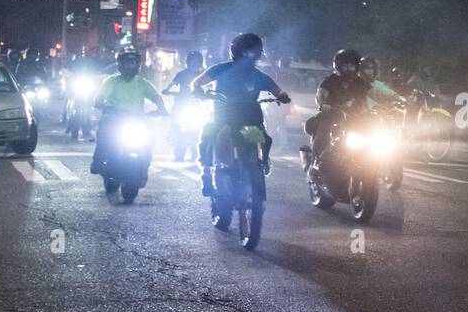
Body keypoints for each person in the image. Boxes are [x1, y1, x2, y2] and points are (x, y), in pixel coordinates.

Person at [191, 33, 291, 196]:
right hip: (224, 118)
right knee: (208, 135)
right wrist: (197, 90)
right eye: (248, 51)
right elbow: (197, 82)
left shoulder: (258, 75)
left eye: (253, 51)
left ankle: (262, 161)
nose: (250, 55)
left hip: (249, 121)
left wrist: (283, 96)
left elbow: (277, 91)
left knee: (264, 140)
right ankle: (207, 173)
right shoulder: (221, 69)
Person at [90, 49, 167, 175]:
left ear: (138, 65)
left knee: (149, 137)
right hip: (113, 118)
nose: (130, 66)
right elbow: (100, 97)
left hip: (137, 119)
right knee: (103, 133)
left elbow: (155, 96)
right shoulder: (111, 81)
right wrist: (100, 103)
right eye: (127, 63)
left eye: (133, 63)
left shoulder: (142, 83)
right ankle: (97, 162)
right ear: (120, 65)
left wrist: (161, 108)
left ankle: (144, 167)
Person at [306, 48, 372, 158]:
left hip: (356, 117)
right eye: (345, 66)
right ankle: (315, 160)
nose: (348, 69)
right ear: (338, 66)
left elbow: (374, 95)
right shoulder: (330, 80)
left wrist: (383, 106)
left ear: (356, 67)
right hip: (332, 115)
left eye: (351, 66)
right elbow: (321, 95)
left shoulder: (361, 82)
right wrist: (323, 105)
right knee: (323, 132)